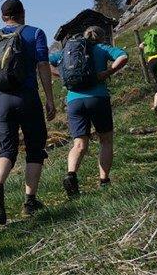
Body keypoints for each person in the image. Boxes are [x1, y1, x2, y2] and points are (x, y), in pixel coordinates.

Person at [0, 0, 56, 223]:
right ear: (23, 13)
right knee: (34, 149)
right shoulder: (35, 33)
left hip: (3, 101)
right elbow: (43, 66)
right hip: (28, 98)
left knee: (6, 150)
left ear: (3, 17)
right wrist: (49, 98)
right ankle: (29, 202)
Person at [49, 26, 129, 193]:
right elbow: (123, 56)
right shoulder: (102, 48)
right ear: (101, 37)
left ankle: (71, 175)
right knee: (105, 140)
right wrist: (108, 72)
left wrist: (61, 75)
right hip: (98, 98)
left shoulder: (68, 50)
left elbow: (45, 62)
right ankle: (104, 180)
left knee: (79, 143)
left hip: (74, 100)